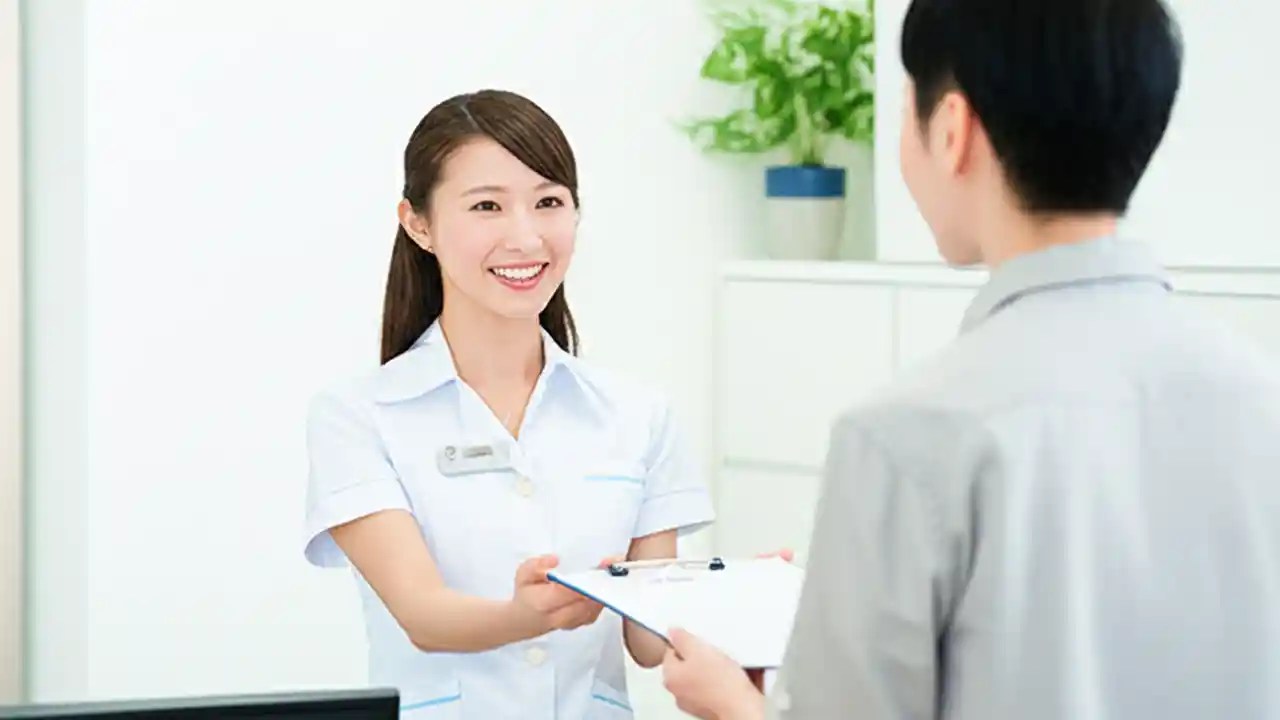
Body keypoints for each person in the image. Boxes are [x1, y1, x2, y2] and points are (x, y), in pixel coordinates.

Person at [662, 0, 1280, 718]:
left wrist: (735, 705)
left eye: (904, 112)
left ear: (952, 130)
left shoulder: (906, 433)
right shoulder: (1260, 397)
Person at [303, 89, 715, 718]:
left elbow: (650, 641)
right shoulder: (359, 415)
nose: (525, 237)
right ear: (419, 224)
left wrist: (742, 603)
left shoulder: (638, 415)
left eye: (549, 202)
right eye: (487, 206)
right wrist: (520, 617)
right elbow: (424, 616)